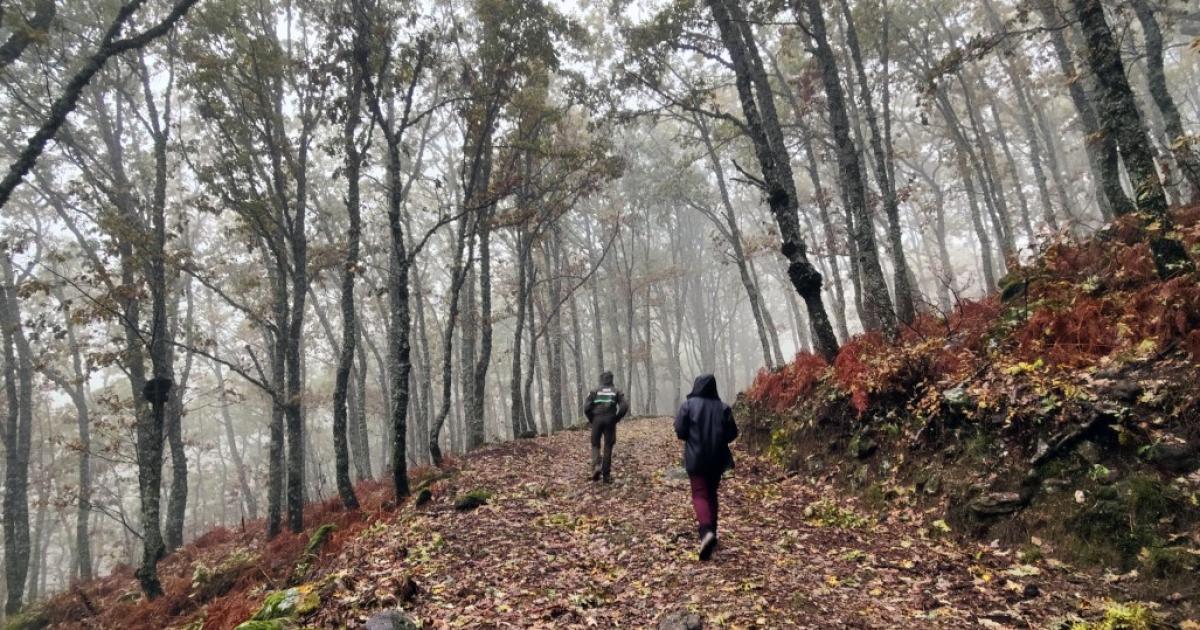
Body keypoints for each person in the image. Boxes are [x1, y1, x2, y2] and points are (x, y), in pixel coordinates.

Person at [674, 374, 738, 561]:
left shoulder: (688, 406)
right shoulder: (723, 408)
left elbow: (679, 430)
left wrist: (692, 436)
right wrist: (718, 439)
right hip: (717, 458)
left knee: (699, 494)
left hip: (696, 457)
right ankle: (713, 532)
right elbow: (732, 432)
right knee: (711, 493)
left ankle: (706, 531)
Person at [583, 370, 629, 483]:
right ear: (611, 379)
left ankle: (596, 467)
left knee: (595, 444)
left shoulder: (594, 391)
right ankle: (606, 475)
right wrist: (617, 418)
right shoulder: (616, 391)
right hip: (610, 420)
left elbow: (586, 408)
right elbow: (624, 406)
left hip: (597, 420)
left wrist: (592, 419)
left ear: (601, 379)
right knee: (608, 446)